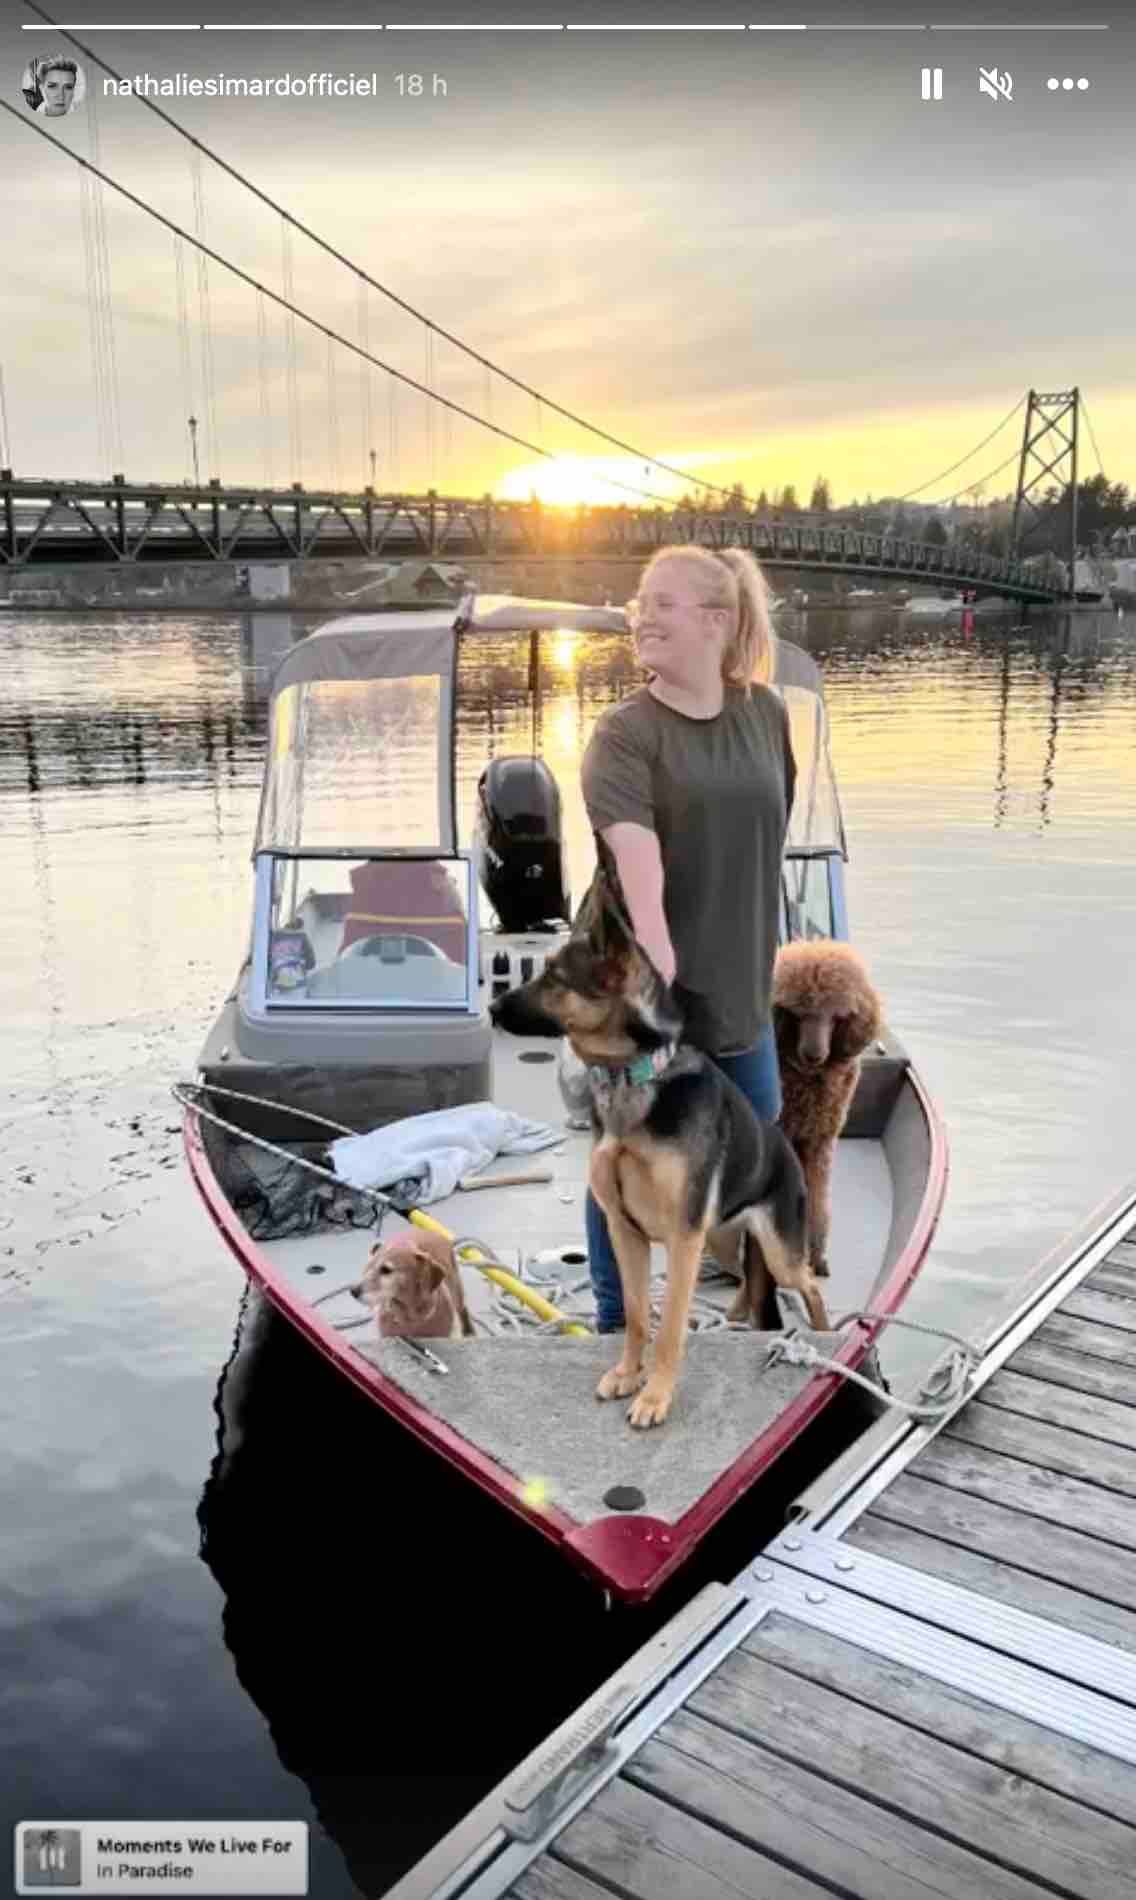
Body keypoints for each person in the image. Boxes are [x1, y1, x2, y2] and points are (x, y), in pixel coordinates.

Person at [580, 544, 796, 1332]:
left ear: (717, 620)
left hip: (739, 980)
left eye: (662, 602)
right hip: (645, 990)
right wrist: (660, 966)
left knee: (757, 1143)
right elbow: (636, 860)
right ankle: (617, 1326)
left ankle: (755, 1307)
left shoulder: (767, 716)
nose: (643, 615)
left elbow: (764, 842)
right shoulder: (623, 733)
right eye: (641, 601)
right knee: (628, 1164)